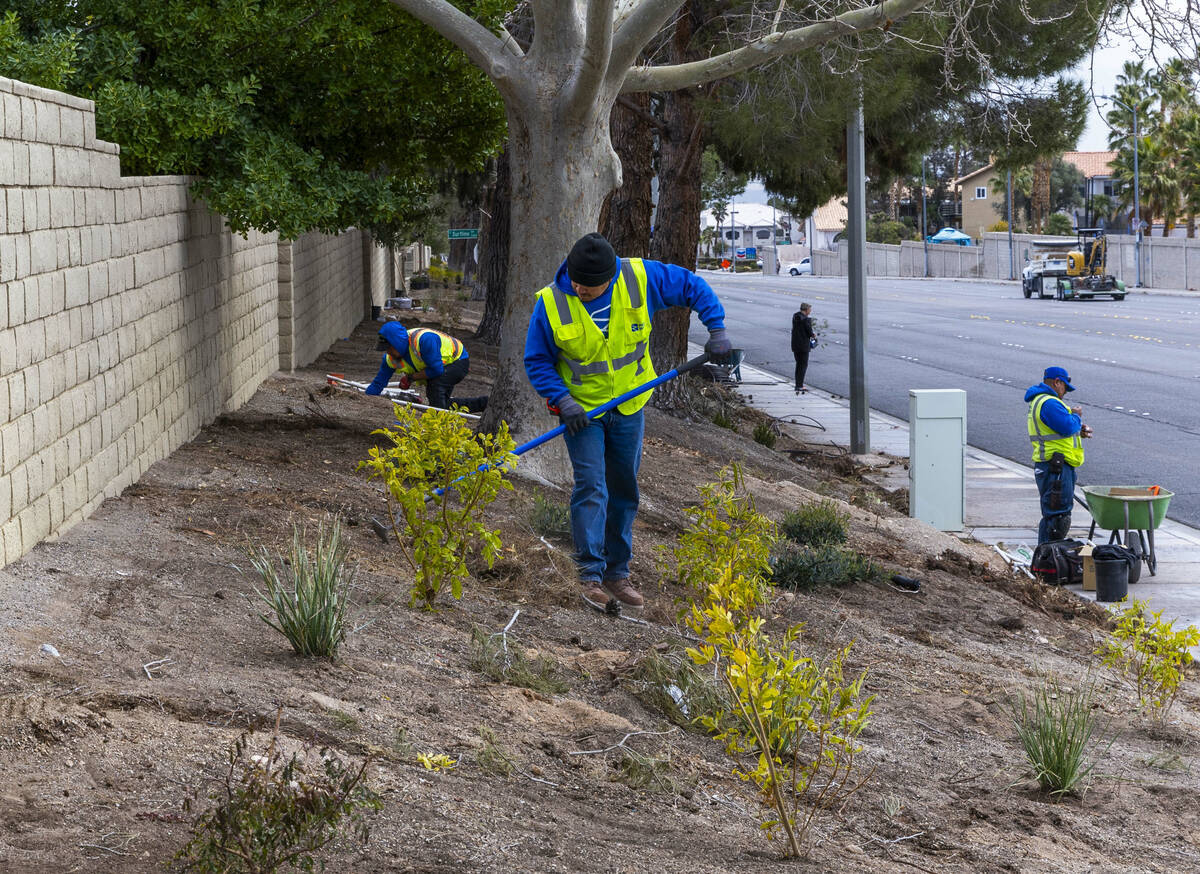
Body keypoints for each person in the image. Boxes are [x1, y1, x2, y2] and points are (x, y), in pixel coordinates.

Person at [524, 232, 732, 612]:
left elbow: (692, 285)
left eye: (588, 286)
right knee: (591, 486)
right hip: (582, 413)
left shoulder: (639, 279)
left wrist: (716, 329)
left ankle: (617, 573)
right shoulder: (551, 304)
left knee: (624, 489)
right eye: (574, 280)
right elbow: (536, 360)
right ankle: (589, 573)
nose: (578, 289)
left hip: (629, 406)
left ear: (611, 276)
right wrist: (562, 400)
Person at [1025, 365, 1093, 544]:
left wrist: (1080, 431)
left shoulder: (1042, 401)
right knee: (1058, 519)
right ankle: (1048, 564)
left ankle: (1045, 562)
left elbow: (1059, 432)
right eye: (1064, 387)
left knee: (1053, 517)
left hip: (1054, 466)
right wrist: (1077, 416)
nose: (1065, 393)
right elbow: (1067, 426)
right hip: (1056, 468)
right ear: (1057, 382)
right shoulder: (1049, 402)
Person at [366, 322, 488, 413]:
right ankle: (484, 403)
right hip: (439, 369)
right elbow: (378, 383)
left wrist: (411, 378)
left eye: (389, 348)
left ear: (397, 342)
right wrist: (365, 399)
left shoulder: (423, 340)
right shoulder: (390, 359)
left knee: (435, 388)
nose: (388, 352)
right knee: (442, 405)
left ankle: (438, 423)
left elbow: (436, 370)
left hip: (458, 361)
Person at [790, 303, 816, 393]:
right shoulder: (806, 320)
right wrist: (813, 335)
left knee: (798, 365)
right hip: (803, 346)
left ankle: (798, 384)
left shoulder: (795, 316)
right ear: (806, 310)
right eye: (810, 309)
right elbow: (810, 333)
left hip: (795, 345)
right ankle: (799, 385)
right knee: (803, 366)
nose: (810, 311)